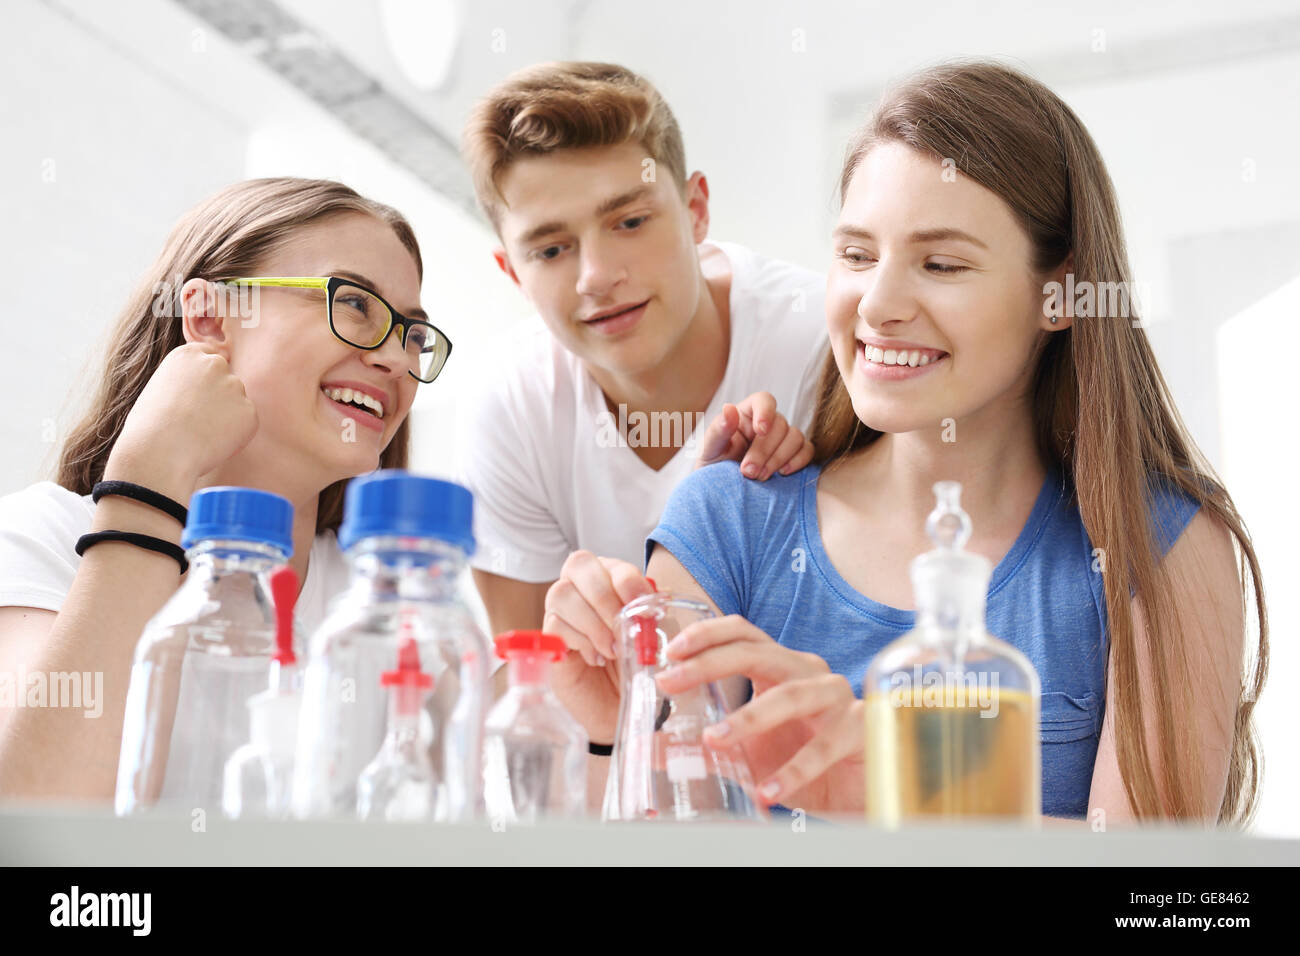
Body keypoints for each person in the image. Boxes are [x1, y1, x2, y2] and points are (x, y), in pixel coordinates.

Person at [544, 61, 1267, 826]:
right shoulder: (728, 524)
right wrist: (605, 736)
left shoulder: (1160, 547)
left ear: (1060, 294)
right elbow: (660, 838)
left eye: (942, 264)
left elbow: (1169, 903)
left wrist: (902, 795)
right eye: (857, 255)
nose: (878, 304)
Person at [0, 177, 441, 801]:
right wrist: (150, 487)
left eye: (413, 334)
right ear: (208, 316)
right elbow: (37, 827)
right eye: (355, 304)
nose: (397, 358)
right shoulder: (40, 540)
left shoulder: (390, 606)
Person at [455, 62, 830, 666]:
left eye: (630, 222)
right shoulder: (508, 405)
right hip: (620, 748)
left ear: (696, 209)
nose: (597, 276)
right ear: (513, 274)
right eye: (551, 249)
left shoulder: (823, 341)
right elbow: (530, 693)